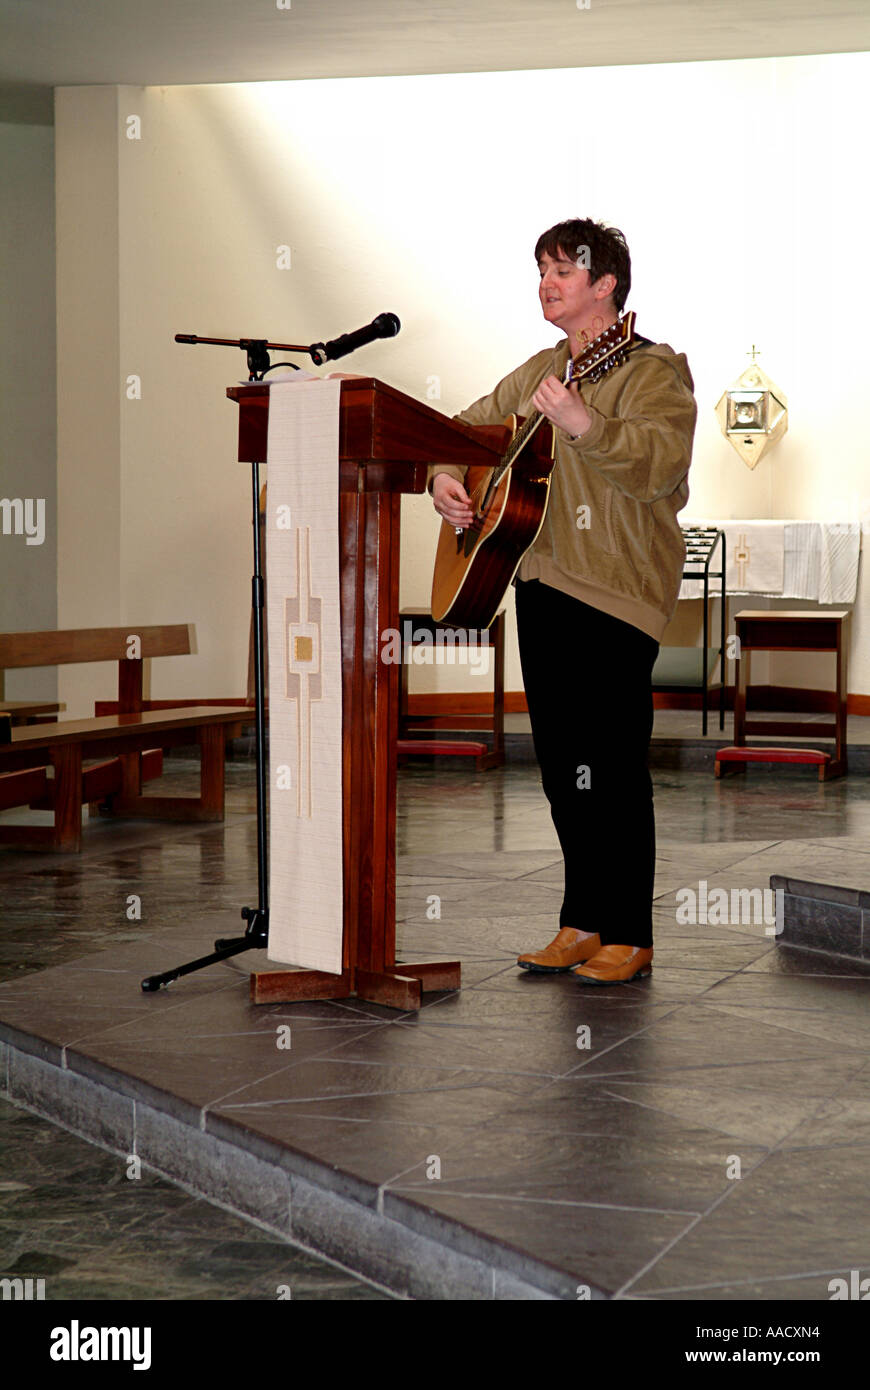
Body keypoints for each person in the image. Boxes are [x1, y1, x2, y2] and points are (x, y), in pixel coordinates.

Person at [429, 218, 697, 984]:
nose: (546, 284)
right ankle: (582, 920)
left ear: (605, 283)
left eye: (561, 271)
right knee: (561, 766)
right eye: (540, 271)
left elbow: (659, 466)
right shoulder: (543, 366)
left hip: (616, 592)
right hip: (540, 582)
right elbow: (465, 428)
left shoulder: (654, 371)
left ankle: (630, 932)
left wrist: (584, 423)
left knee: (611, 765)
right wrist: (445, 477)